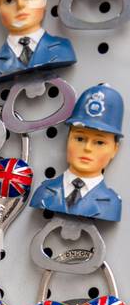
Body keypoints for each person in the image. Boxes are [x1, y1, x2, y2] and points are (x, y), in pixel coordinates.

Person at [29, 83, 123, 223]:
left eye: (99, 142)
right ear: (68, 139)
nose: (87, 148)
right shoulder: (44, 192)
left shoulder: (110, 203)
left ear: (114, 149)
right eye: (79, 138)